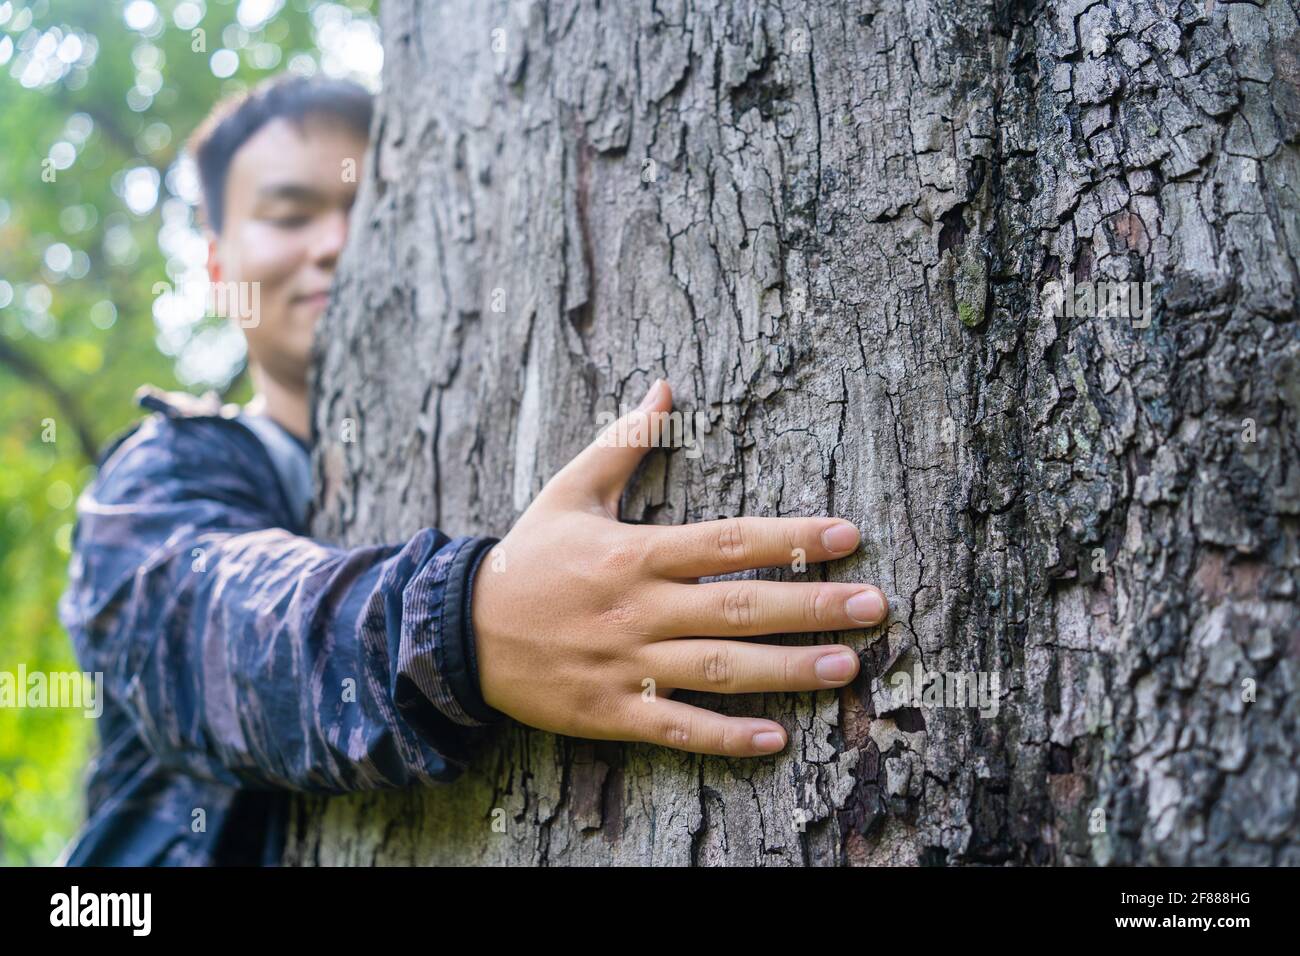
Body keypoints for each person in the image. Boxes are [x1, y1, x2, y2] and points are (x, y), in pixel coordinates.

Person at [57, 74, 889, 865]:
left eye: (367, 206)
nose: (336, 242)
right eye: (288, 214)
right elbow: (205, 624)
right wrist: (464, 624)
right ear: (217, 268)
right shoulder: (163, 470)